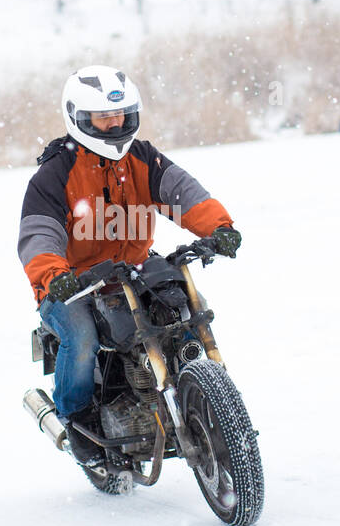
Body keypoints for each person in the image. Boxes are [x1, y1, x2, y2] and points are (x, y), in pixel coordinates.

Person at [17, 65, 242, 467]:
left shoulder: (141, 158)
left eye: (120, 114)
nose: (115, 123)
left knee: (190, 306)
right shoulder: (54, 175)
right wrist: (54, 277)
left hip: (132, 270)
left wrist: (218, 227)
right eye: (103, 117)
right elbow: (38, 237)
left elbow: (183, 193)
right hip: (74, 284)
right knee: (82, 336)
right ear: (78, 118)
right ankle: (77, 419)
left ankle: (196, 389)